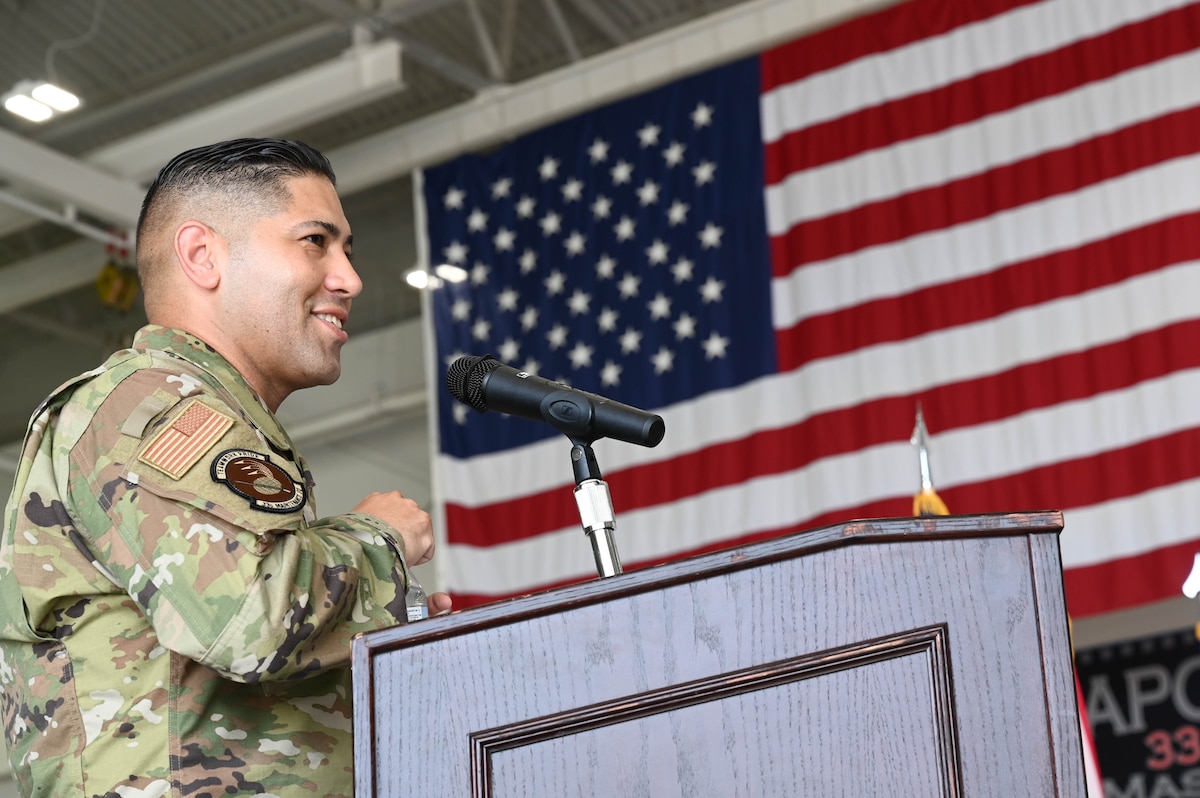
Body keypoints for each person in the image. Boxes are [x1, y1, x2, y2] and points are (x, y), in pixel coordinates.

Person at [0, 137, 451, 797]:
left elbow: (234, 662)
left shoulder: (201, 417)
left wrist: (380, 626)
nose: (349, 278)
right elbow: (249, 619)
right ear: (203, 256)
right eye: (315, 241)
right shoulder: (149, 407)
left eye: (346, 249)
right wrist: (378, 540)